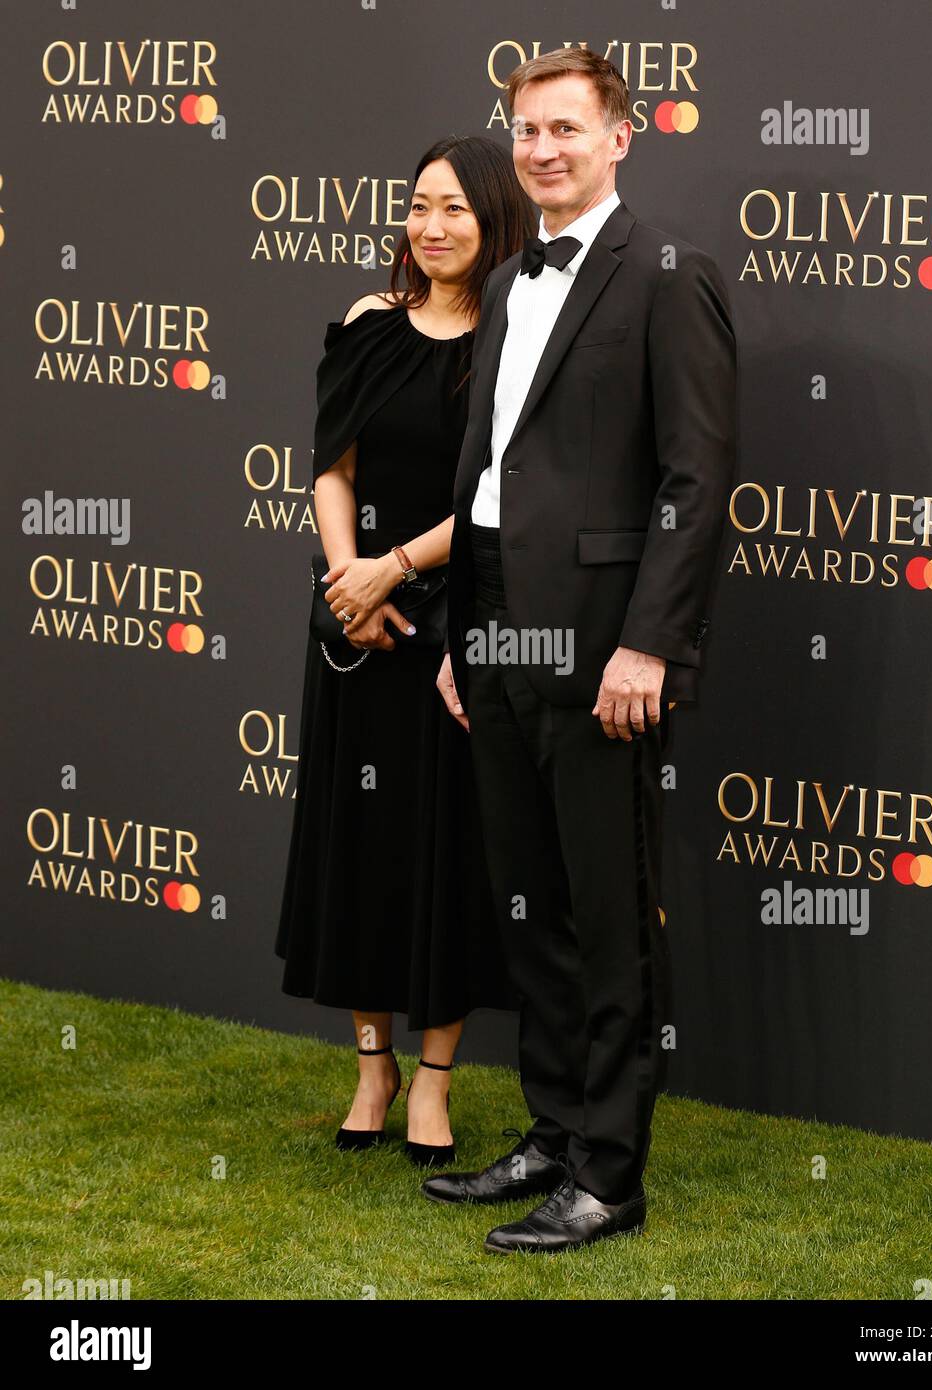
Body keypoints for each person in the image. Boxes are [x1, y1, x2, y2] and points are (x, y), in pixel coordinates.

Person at [428, 49, 738, 1250]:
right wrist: (462, 630)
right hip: (497, 614)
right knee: (531, 902)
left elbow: (695, 476)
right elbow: (492, 475)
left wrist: (648, 645)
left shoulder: (668, 275)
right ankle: (554, 1132)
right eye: (524, 129)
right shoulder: (507, 281)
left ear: (621, 137)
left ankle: (609, 1173)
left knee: (606, 911)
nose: (541, 149)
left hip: (604, 639)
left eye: (565, 128)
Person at [276, 136, 532, 1167]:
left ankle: (433, 1079)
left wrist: (393, 569)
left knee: (446, 853)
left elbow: (494, 495)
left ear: (494, 220)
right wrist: (347, 581)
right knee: (362, 853)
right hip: (357, 632)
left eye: (456, 210)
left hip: (448, 622)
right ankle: (369, 1065)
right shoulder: (366, 324)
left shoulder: (514, 339)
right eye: (420, 206)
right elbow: (327, 463)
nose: (431, 226)